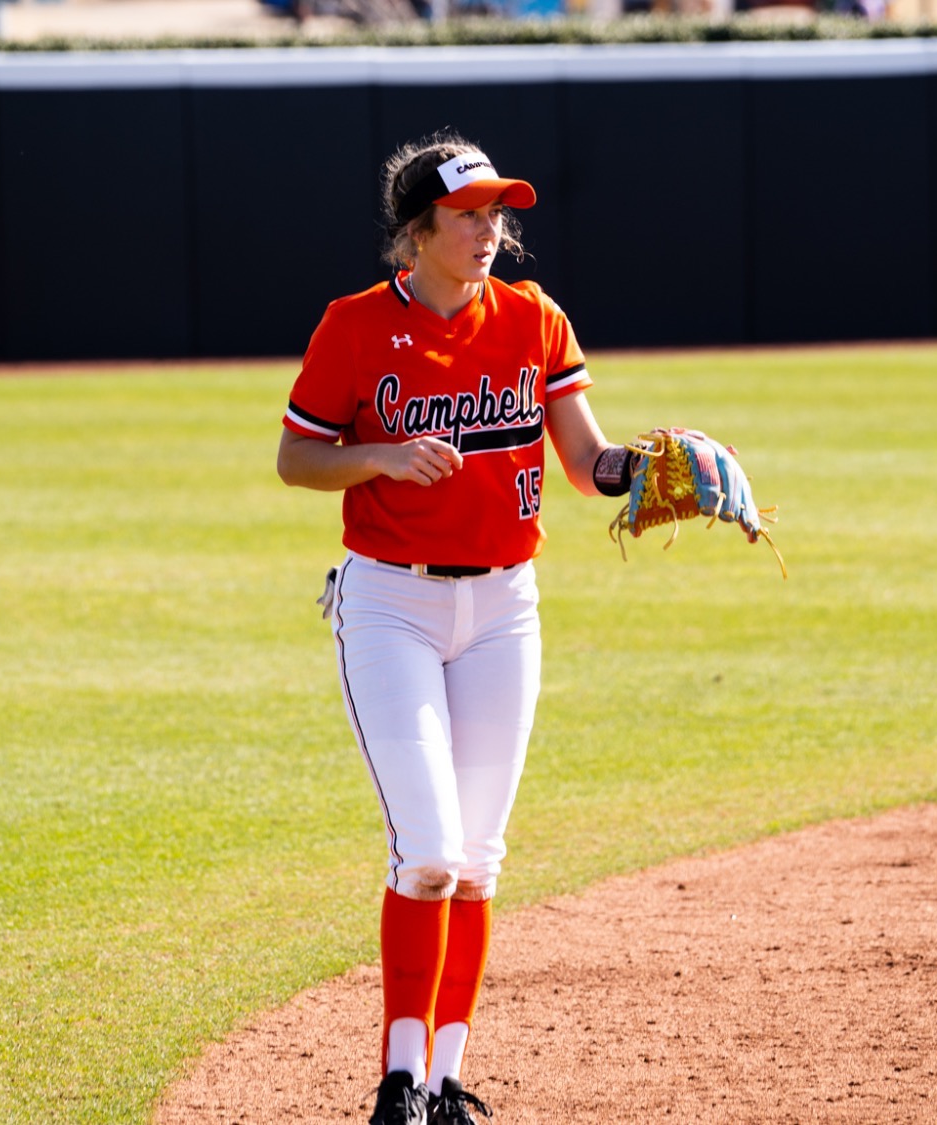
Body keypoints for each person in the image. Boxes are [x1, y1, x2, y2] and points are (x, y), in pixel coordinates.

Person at [276, 132, 640, 1125]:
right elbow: (297, 460)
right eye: (467, 213)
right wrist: (382, 456)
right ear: (417, 230)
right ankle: (396, 1080)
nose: (487, 230)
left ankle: (443, 1084)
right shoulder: (355, 326)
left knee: (477, 861)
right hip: (390, 605)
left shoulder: (532, 319)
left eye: (495, 213)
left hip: (503, 611)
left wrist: (644, 470)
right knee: (429, 852)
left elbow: (586, 463)